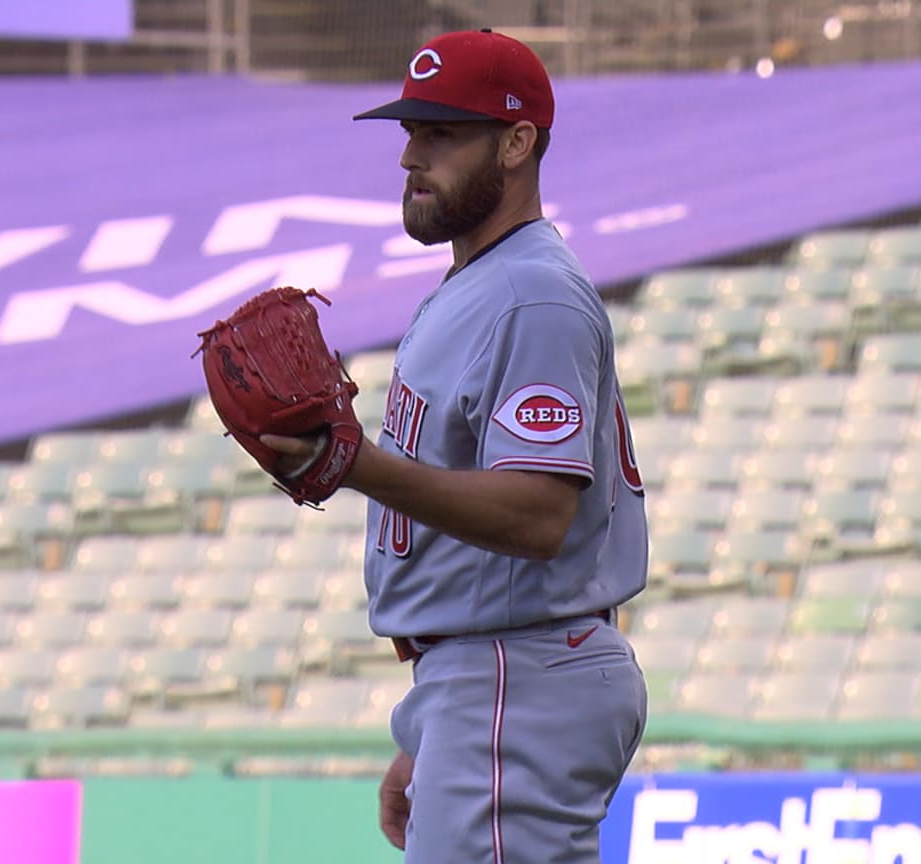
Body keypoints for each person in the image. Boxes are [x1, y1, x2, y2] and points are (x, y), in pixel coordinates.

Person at [262, 29, 649, 864]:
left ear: (517, 143)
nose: (410, 157)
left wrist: (355, 464)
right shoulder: (483, 284)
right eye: (409, 131)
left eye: (441, 133)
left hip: (520, 671)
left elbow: (541, 513)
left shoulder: (532, 294)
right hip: (490, 681)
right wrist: (437, 725)